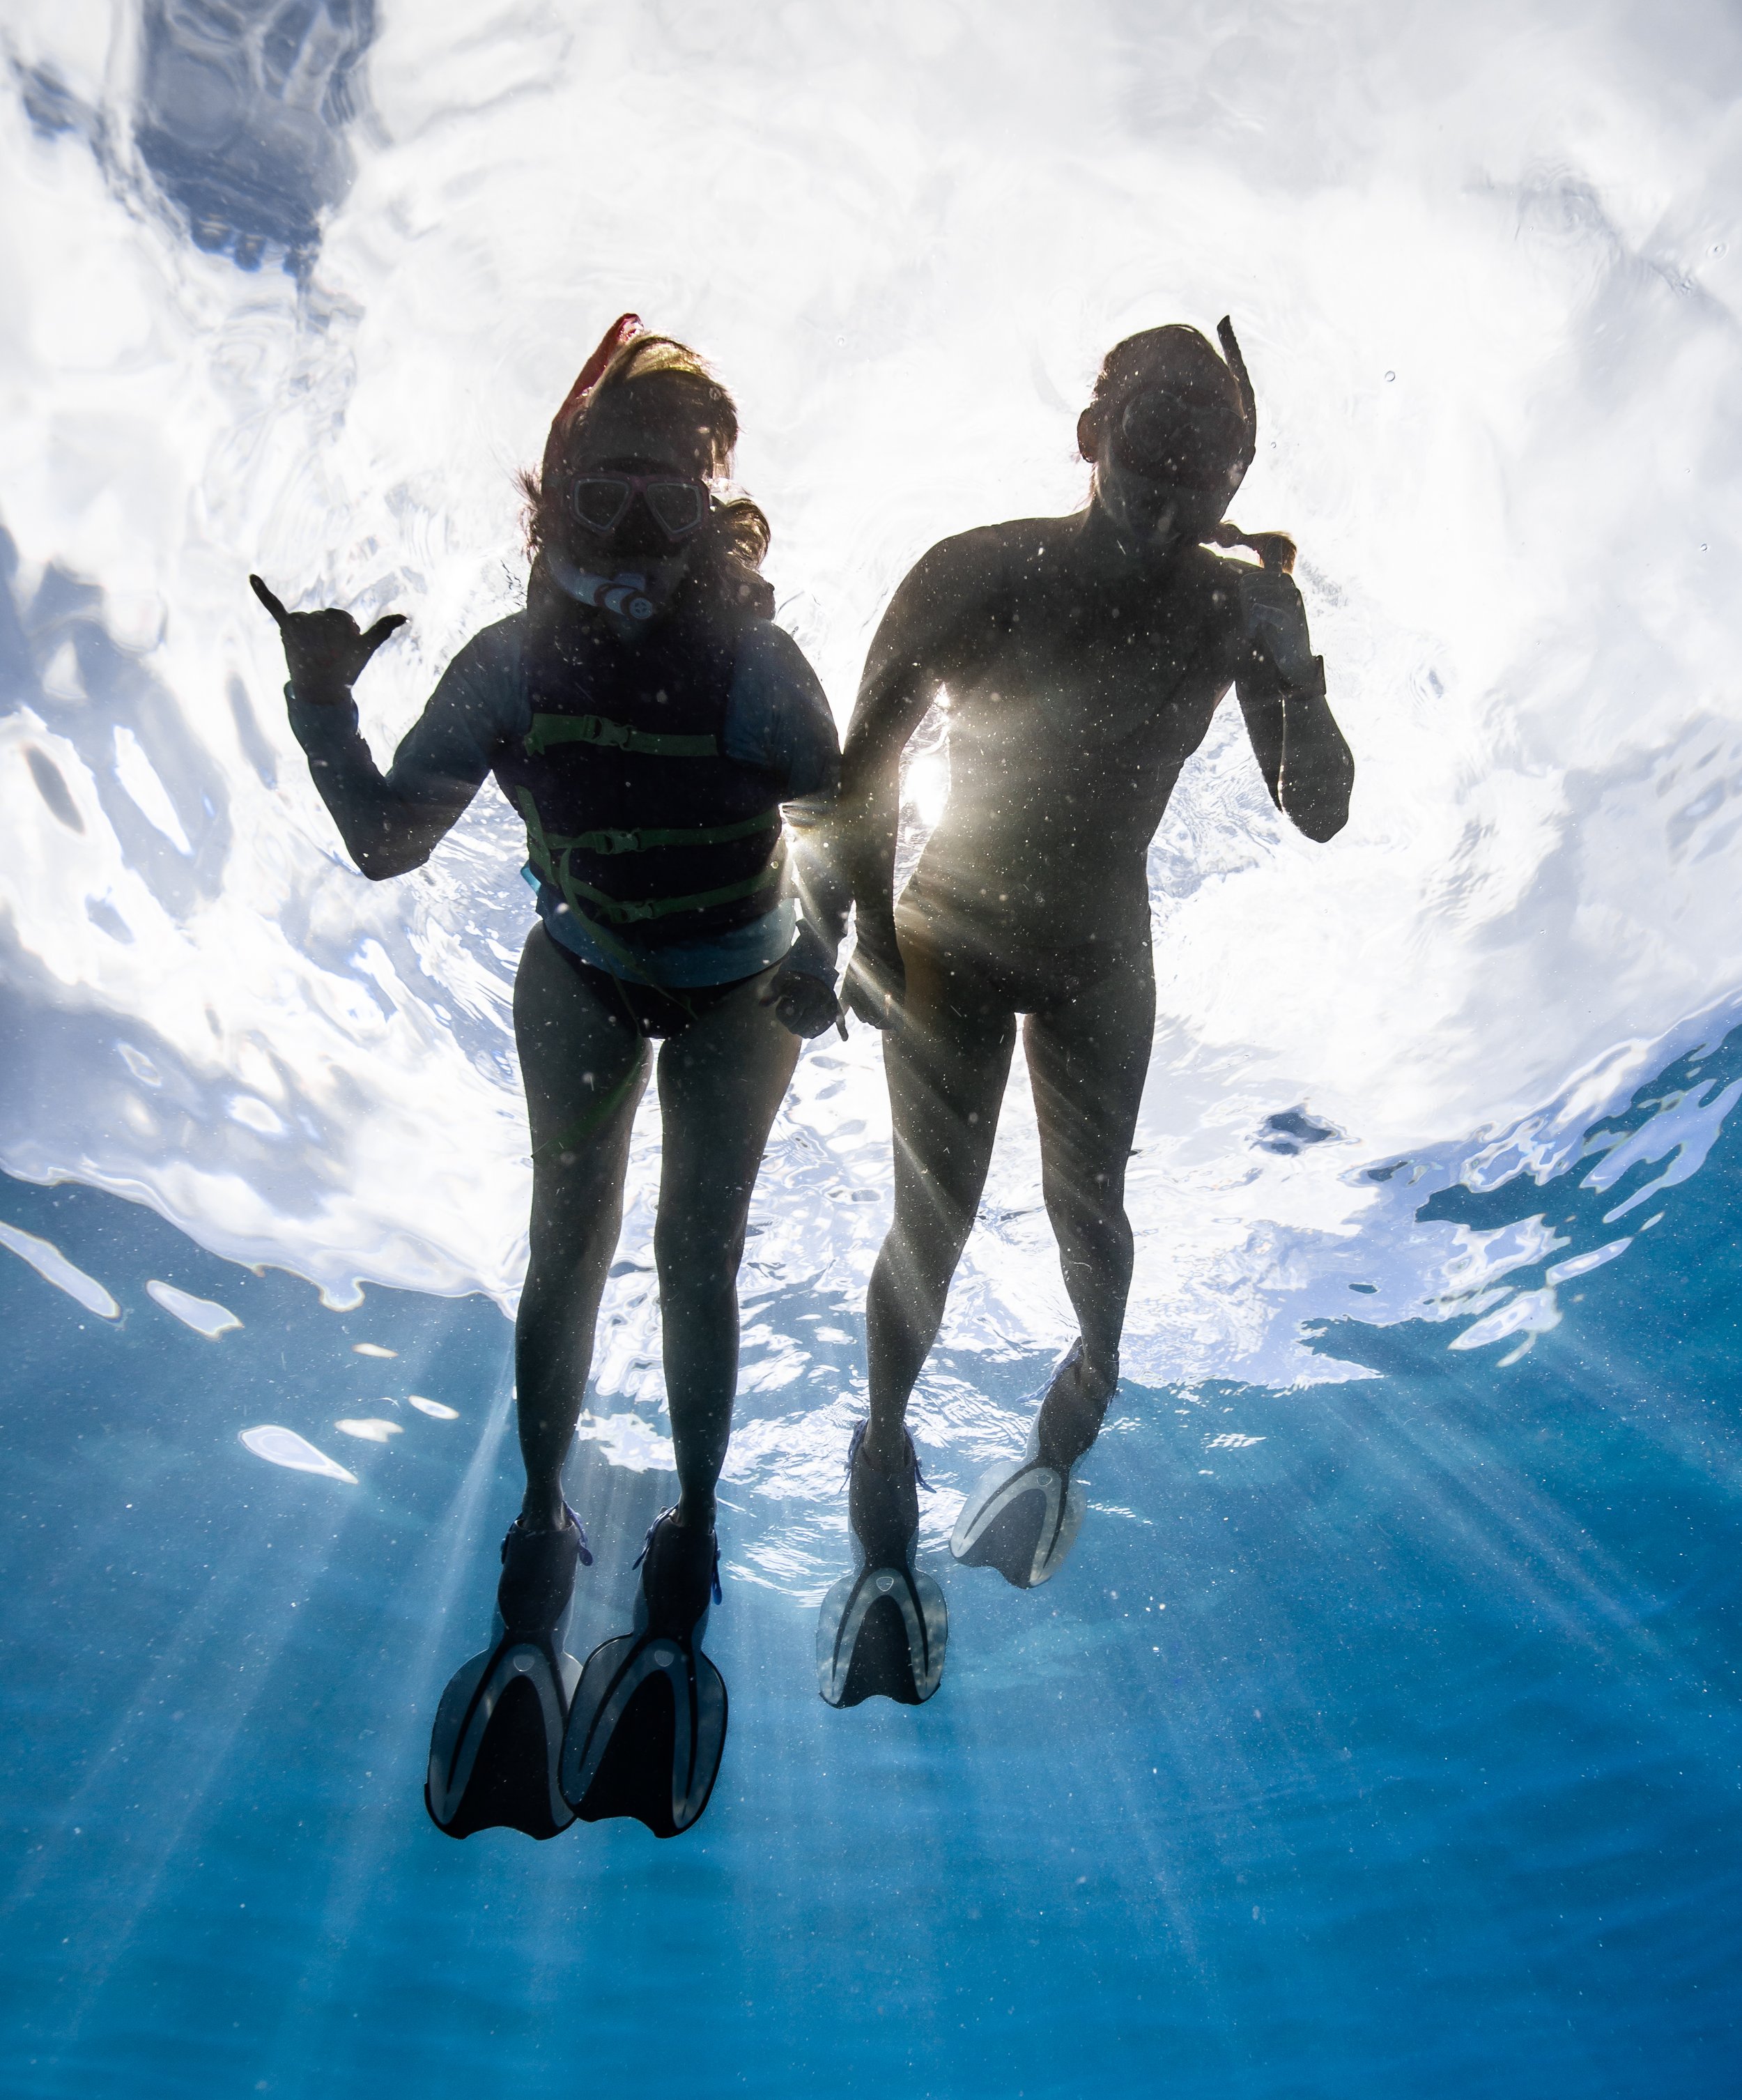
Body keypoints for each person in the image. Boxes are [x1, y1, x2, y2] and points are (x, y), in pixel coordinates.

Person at [255, 316, 845, 1836]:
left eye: (668, 498)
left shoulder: (756, 666)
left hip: (735, 977)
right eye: (604, 497)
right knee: (566, 1242)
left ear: (714, 513)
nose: (634, 533)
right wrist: (322, 705)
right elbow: (389, 845)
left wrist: (828, 945)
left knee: (693, 1256)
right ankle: (539, 1553)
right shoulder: (508, 667)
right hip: (582, 961)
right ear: (550, 501)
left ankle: (681, 1557)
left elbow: (854, 817)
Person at [815, 318, 1355, 1709]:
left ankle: (1074, 1412)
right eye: (1152, 427)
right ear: (1090, 432)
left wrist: (1298, 672)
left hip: (1097, 948)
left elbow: (1317, 809)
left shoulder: (1237, 608)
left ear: (1235, 475)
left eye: (1207, 447)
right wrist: (861, 934)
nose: (1171, 472)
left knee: (1089, 1211)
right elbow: (859, 773)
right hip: (950, 930)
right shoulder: (978, 569)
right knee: (929, 1223)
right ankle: (883, 1469)